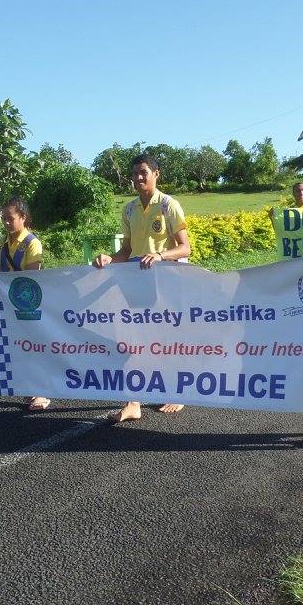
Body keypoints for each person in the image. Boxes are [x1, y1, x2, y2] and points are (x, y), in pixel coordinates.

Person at [93, 153, 192, 422]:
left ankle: (177, 391)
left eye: (143, 173)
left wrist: (160, 255)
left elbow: (185, 248)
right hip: (135, 283)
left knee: (166, 340)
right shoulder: (129, 209)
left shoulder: (169, 205)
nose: (138, 178)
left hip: (166, 283)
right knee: (133, 341)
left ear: (156, 174)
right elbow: (126, 251)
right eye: (135, 173)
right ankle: (133, 402)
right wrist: (109, 259)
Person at [0, 196, 51, 412]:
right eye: (4, 219)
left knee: (36, 346)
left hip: (28, 304)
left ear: (23, 217)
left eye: (10, 218)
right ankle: (30, 386)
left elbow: (32, 277)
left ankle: (42, 392)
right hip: (10, 303)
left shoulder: (32, 243)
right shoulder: (3, 242)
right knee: (19, 347)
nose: (7, 223)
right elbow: (0, 270)